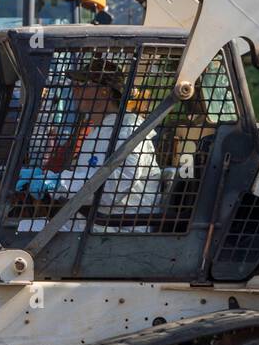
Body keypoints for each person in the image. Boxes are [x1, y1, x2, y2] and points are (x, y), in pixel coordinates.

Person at [16, 55, 164, 232]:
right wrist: (44, 175)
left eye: (82, 85)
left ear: (104, 91)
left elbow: (112, 189)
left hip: (119, 229)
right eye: (75, 84)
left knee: (21, 235)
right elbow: (88, 176)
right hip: (91, 222)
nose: (74, 90)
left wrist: (58, 183)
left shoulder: (129, 130)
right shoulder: (99, 130)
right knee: (20, 228)